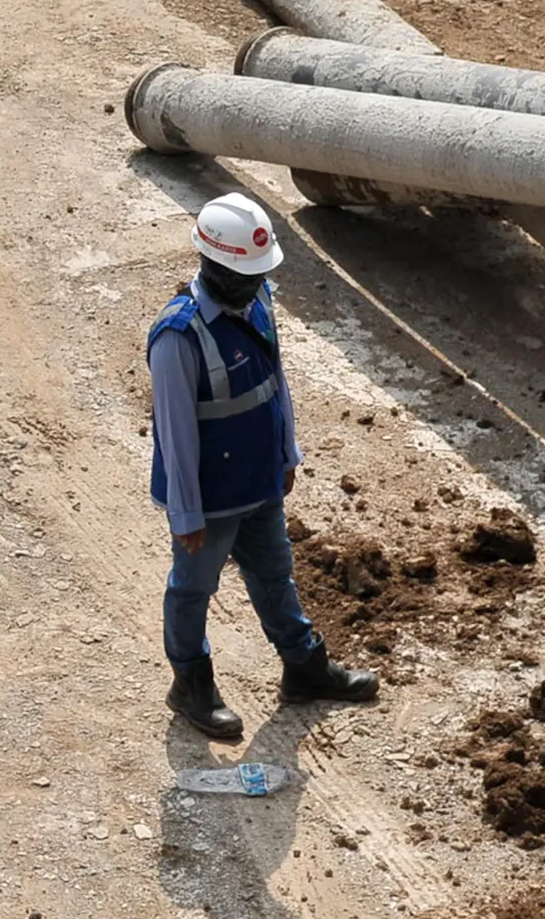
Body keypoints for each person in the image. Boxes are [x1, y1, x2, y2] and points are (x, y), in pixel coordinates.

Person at [150, 193, 378, 740]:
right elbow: (174, 436)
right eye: (242, 275)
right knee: (192, 590)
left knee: (275, 574)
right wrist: (186, 514)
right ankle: (191, 684)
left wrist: (287, 454)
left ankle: (303, 668)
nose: (252, 284)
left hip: (259, 481)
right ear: (213, 264)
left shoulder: (258, 305)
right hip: (211, 498)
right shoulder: (178, 337)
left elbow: (277, 387)